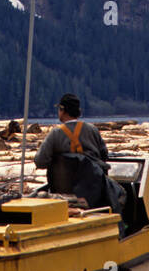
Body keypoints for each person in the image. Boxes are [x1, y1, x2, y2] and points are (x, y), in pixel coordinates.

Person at [34, 93, 126, 222]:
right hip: (94, 192)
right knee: (121, 193)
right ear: (79, 111)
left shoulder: (55, 134)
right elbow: (104, 156)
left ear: (62, 110)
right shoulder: (93, 130)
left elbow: (40, 161)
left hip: (61, 191)